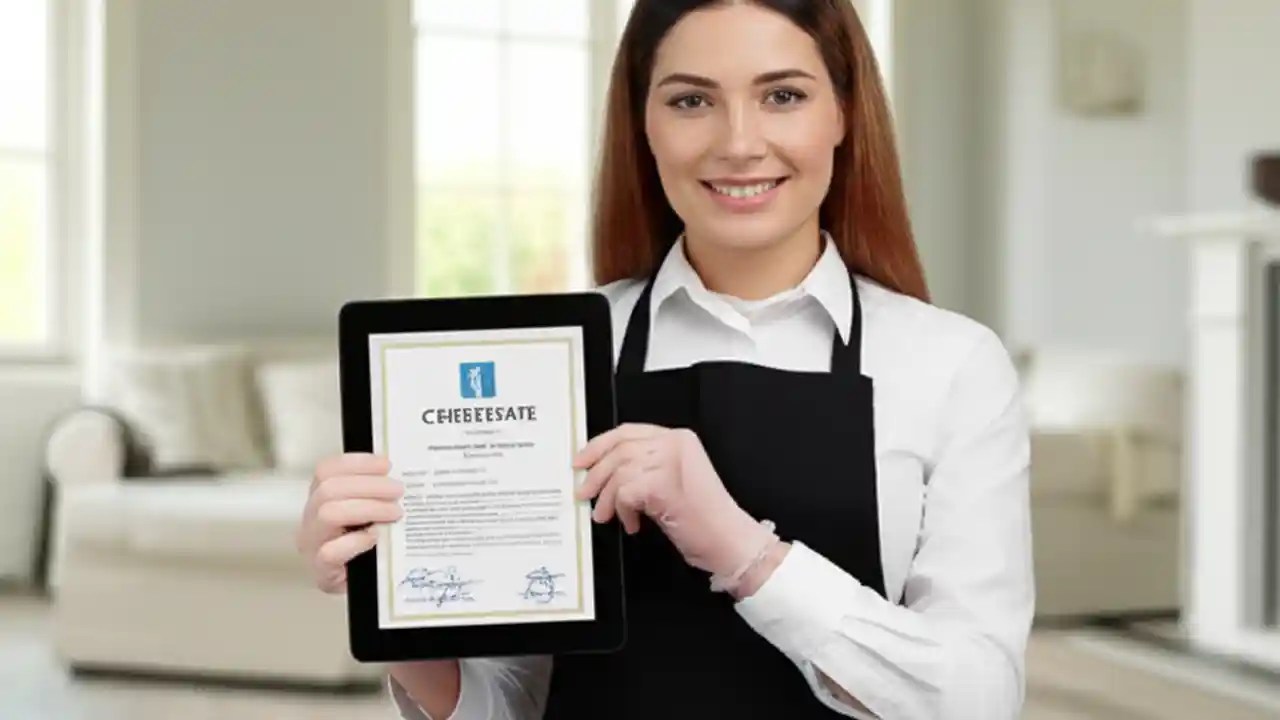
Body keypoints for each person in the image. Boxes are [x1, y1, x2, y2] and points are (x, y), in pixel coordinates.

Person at [296, 0, 1033, 717]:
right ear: (642, 124)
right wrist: (392, 600)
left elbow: (977, 699)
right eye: (691, 101)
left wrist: (744, 553)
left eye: (782, 95)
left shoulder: (953, 365)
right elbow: (516, 703)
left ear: (842, 112)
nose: (739, 142)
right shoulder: (555, 356)